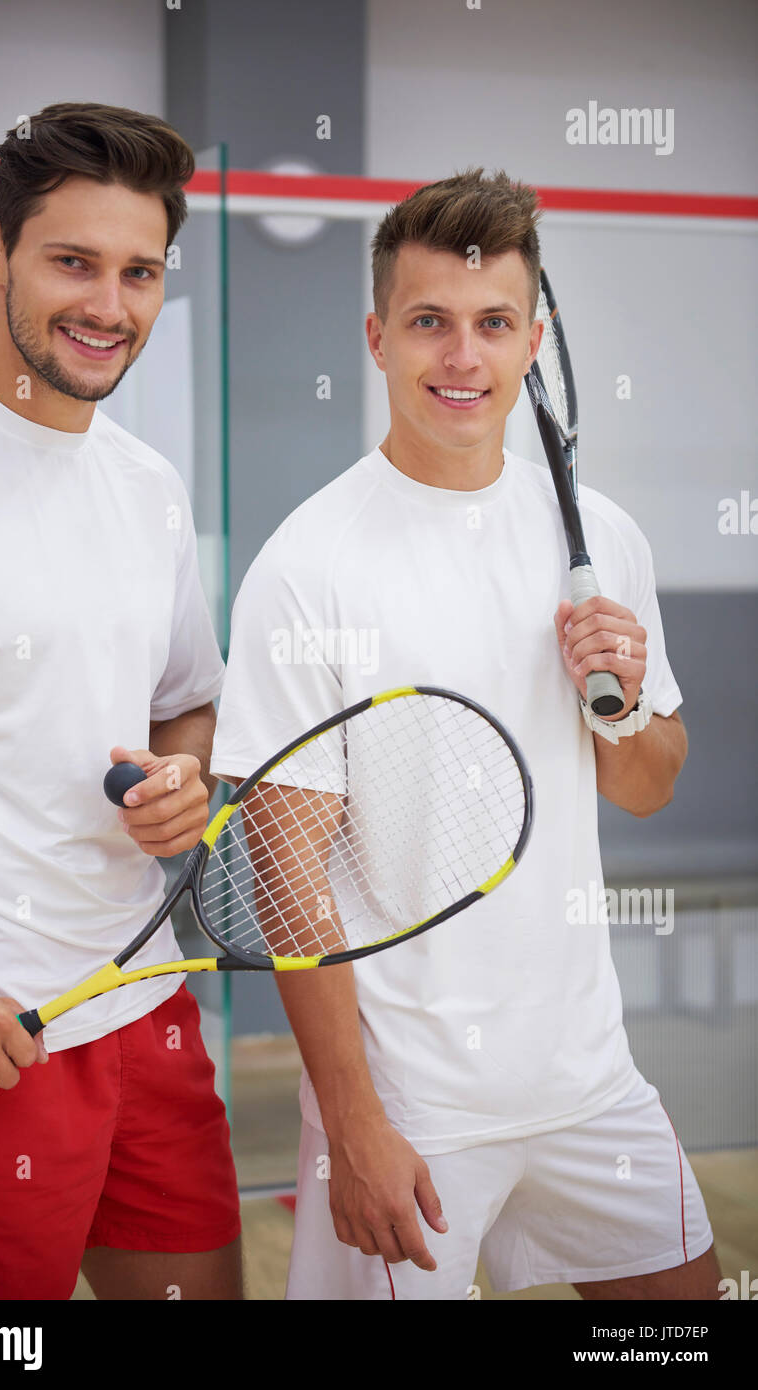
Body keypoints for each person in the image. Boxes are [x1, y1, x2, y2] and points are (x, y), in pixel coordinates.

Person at [210, 168, 721, 1300]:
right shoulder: (309, 565)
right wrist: (350, 1121)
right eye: (429, 322)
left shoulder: (604, 540)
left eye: (493, 324)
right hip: (413, 1107)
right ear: (377, 336)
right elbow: (287, 873)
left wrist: (624, 697)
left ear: (532, 338)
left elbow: (647, 785)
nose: (462, 356)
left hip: (589, 1079)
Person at [0, 102, 241, 1301]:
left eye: (139, 271)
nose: (110, 303)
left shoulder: (147, 487)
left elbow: (187, 701)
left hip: (143, 1010)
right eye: (73, 262)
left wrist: (182, 779)